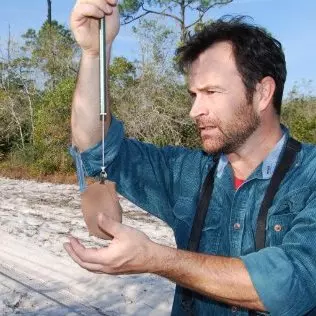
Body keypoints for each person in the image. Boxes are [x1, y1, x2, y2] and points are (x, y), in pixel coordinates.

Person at [64, 0, 316, 315]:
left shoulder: (310, 177)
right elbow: (96, 147)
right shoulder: (188, 173)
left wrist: (156, 258)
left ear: (263, 93)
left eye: (211, 92)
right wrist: (95, 54)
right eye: (194, 95)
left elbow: (292, 284)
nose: (194, 111)